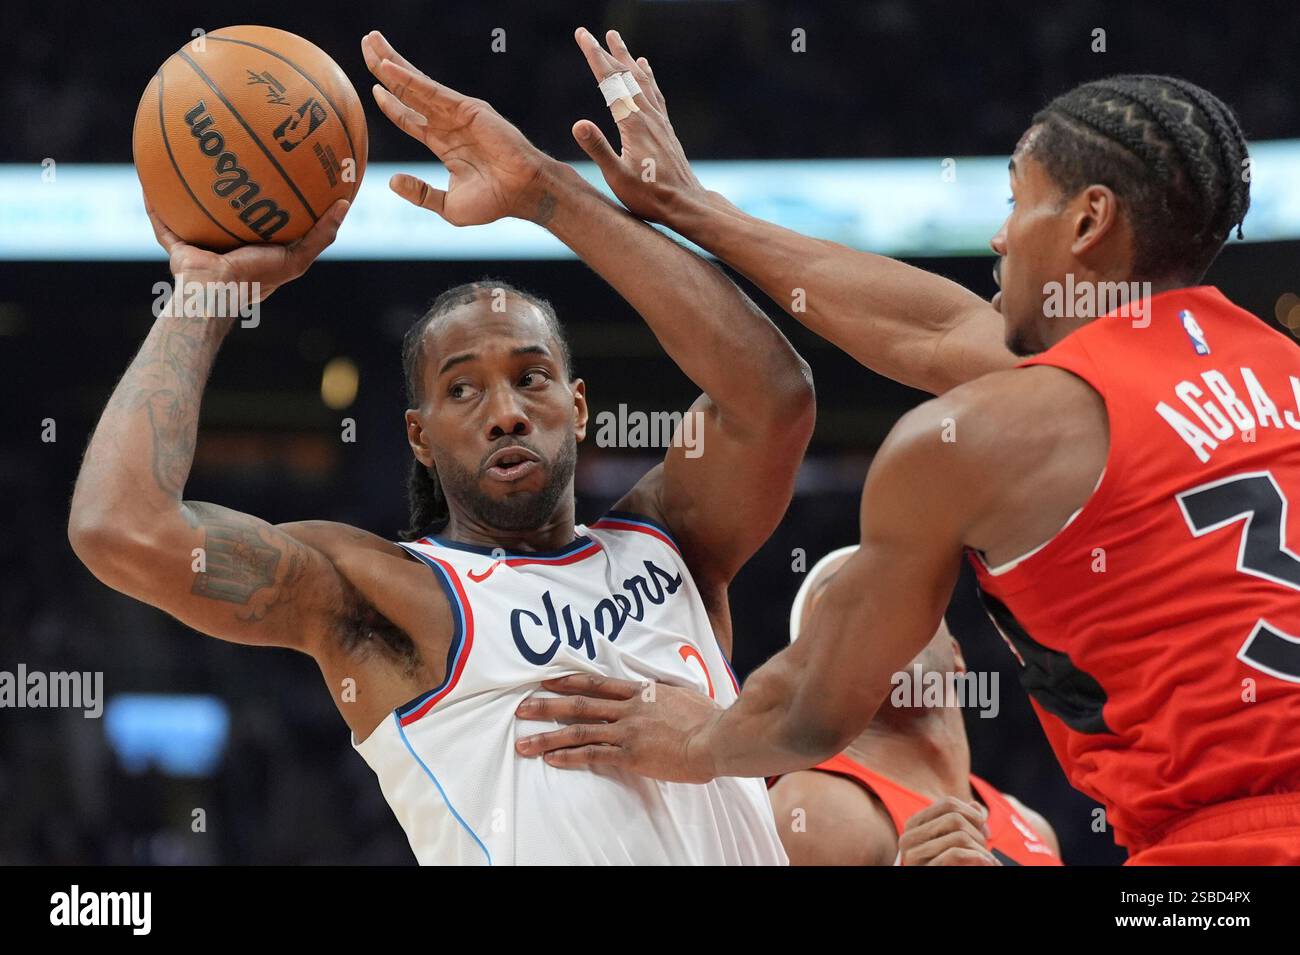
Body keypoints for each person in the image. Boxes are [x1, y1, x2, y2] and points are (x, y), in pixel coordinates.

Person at [516, 31, 1300, 864]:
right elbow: (932, 326)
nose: (1000, 239)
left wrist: (695, 737)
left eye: (1015, 200)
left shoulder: (978, 438)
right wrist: (687, 205)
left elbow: (809, 713)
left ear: (1088, 220)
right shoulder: (1278, 365)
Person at [67, 30, 814, 865]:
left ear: (578, 407)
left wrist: (547, 192)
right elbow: (119, 527)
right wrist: (206, 294)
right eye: (462, 389)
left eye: (532, 379)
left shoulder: (672, 541)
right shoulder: (388, 599)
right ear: (418, 436)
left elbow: (773, 396)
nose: (505, 412)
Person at [768, 548, 1061, 865]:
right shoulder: (811, 807)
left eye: (900, 590)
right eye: (841, 600)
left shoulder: (1034, 829)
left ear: (955, 654)